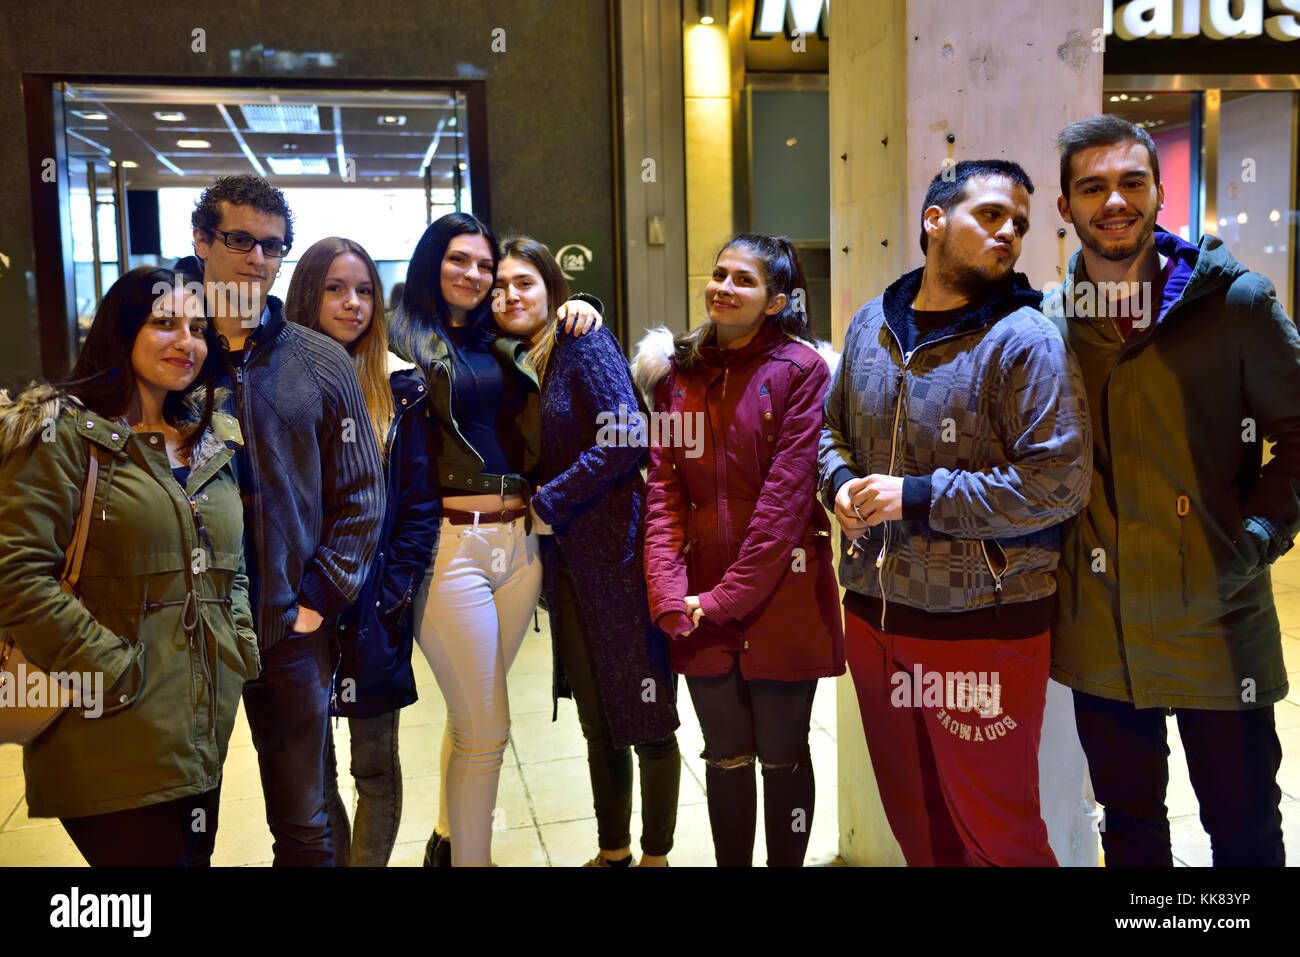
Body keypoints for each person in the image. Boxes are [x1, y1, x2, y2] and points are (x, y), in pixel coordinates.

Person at [818, 160, 1092, 867]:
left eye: (1021, 225)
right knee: (919, 828)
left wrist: (916, 495)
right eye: (992, 215)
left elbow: (1058, 484)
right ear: (934, 220)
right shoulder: (871, 323)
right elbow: (829, 431)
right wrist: (842, 481)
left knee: (999, 837)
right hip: (876, 614)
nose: (1009, 234)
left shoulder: (1026, 338)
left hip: (983, 621)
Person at [1045, 115, 1299, 867]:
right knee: (1126, 825)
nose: (1113, 201)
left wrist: (1251, 540)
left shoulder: (1236, 304)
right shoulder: (1051, 324)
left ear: (1161, 192)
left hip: (1216, 618)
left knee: (1244, 823)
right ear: (1066, 208)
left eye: (1130, 182)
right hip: (1101, 623)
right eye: (1092, 187)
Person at [0, 266, 260, 865]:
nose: (185, 340)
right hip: (108, 725)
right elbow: (16, 575)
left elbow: (232, 564)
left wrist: (237, 640)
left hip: (200, 723)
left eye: (198, 328)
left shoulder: (209, 436)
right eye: (164, 322)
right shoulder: (61, 434)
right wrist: (113, 669)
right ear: (122, 330)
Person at [387, 212, 601, 867]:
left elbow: (542, 324)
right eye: (460, 260)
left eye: (484, 265)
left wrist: (583, 306)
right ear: (432, 262)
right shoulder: (400, 333)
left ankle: (448, 841)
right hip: (449, 546)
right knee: (488, 726)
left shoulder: (491, 332)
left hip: (520, 542)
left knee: (468, 713)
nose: (476, 276)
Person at [192, 175, 385, 866]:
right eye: (239, 239)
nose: (256, 258)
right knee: (182, 830)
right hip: (189, 638)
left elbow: (364, 493)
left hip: (290, 633)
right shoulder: (172, 353)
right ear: (202, 241)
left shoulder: (320, 359)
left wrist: (318, 599)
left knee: (304, 824)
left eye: (272, 246)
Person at [641, 233, 843, 867]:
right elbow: (663, 491)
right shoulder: (678, 374)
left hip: (782, 593)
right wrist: (668, 592)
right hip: (697, 601)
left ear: (777, 300)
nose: (723, 287)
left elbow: (785, 502)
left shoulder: (801, 371)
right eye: (718, 272)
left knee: (782, 756)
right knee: (724, 757)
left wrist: (726, 597)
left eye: (744, 280)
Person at [494, 237, 681, 867]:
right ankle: (614, 852)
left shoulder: (582, 342)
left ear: (552, 288)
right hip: (565, 566)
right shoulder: (516, 360)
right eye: (499, 287)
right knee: (597, 720)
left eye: (524, 282)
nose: (509, 295)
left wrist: (549, 501)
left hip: (619, 557)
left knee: (646, 714)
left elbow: (626, 437)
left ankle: (655, 856)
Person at [285, 237, 440, 867]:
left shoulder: (402, 391)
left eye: (366, 291)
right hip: (295, 608)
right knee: (311, 775)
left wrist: (399, 588)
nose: (353, 304)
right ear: (306, 295)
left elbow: (419, 507)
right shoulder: (274, 385)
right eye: (335, 288)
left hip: (375, 604)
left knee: (375, 768)